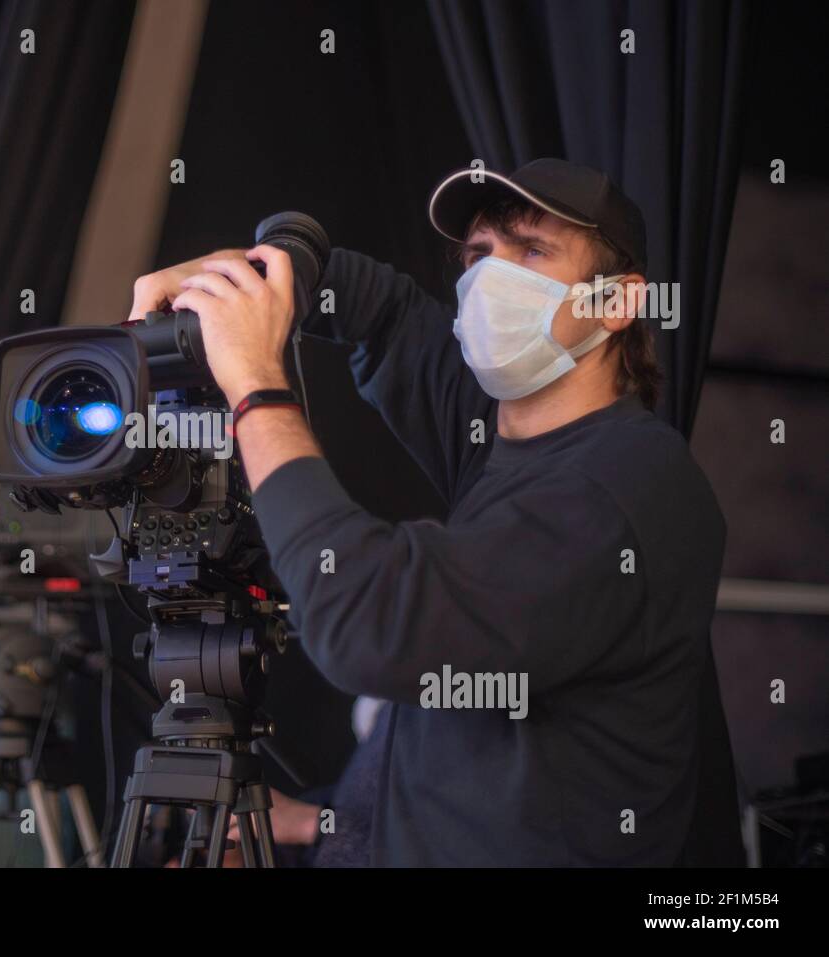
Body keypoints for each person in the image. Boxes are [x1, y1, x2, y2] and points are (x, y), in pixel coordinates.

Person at [128, 159, 726, 866]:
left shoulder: (629, 487)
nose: (489, 279)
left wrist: (255, 386)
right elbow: (372, 308)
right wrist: (240, 278)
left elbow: (368, 621)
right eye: (478, 255)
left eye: (531, 250)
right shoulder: (501, 429)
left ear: (618, 302)